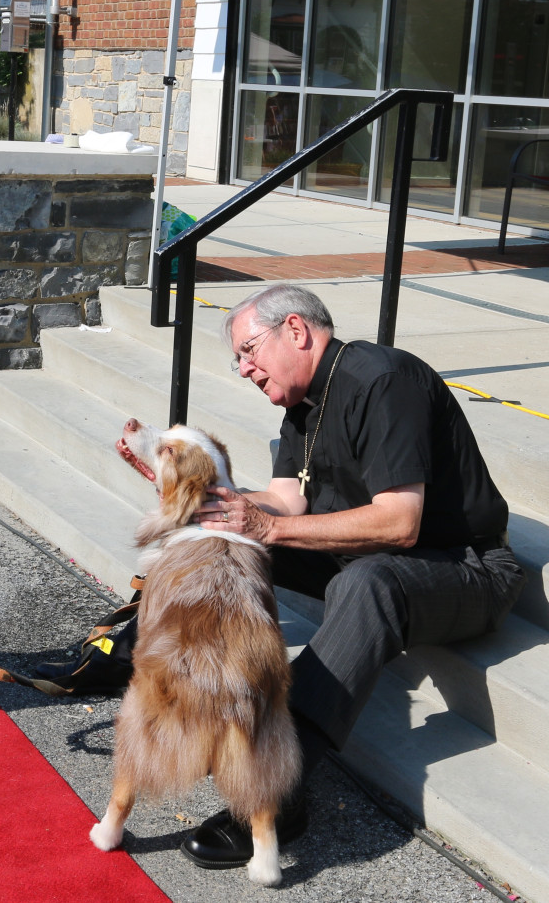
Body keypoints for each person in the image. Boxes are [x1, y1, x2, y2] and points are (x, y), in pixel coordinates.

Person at [179, 282, 525, 868]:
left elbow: (399, 524)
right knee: (219, 536)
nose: (243, 369)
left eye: (248, 349)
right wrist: (206, 502)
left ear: (296, 330)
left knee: (366, 585)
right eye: (237, 359)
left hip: (464, 567)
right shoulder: (300, 405)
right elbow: (286, 504)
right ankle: (137, 657)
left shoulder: (383, 381)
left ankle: (274, 787)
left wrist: (268, 529)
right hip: (368, 556)